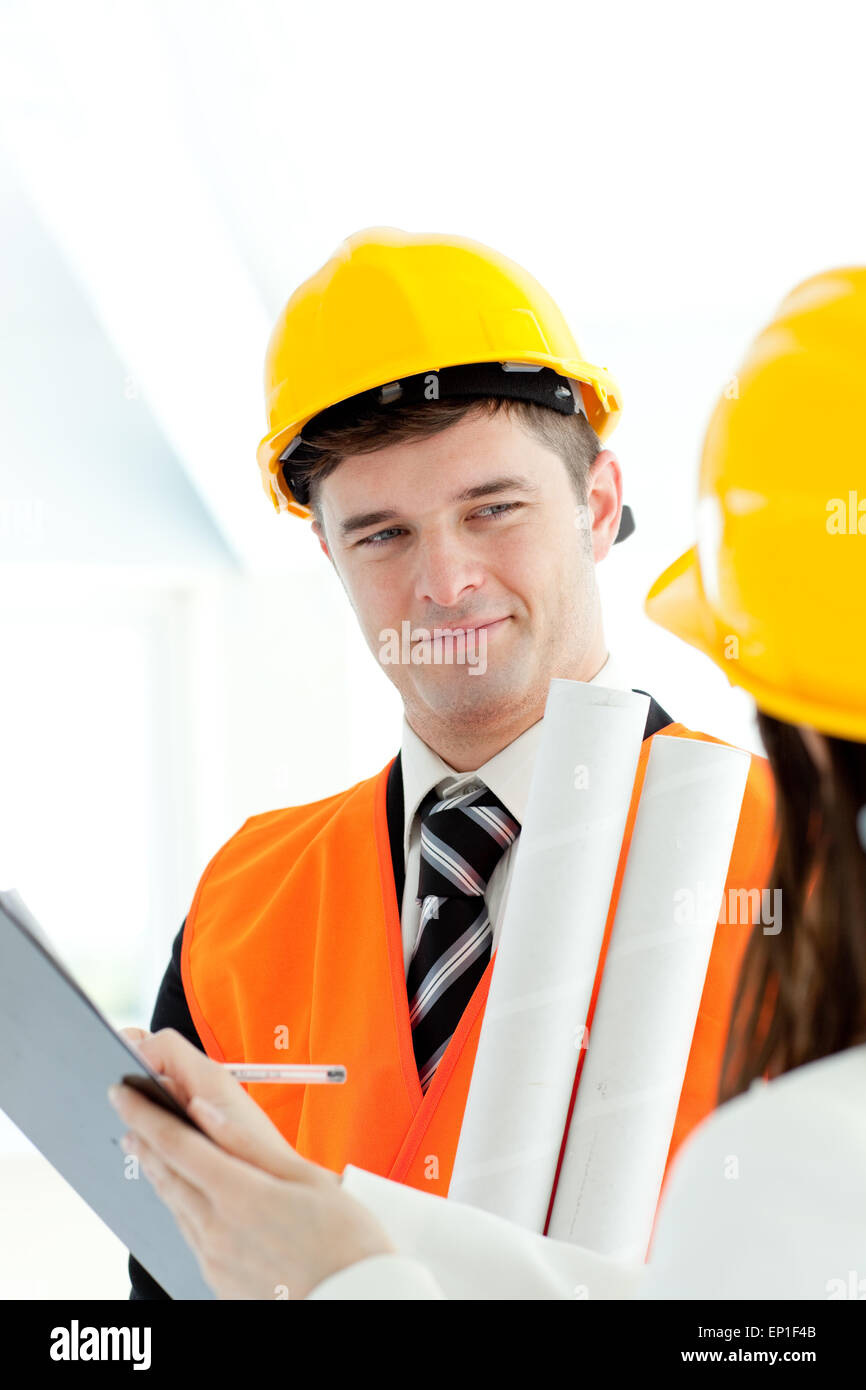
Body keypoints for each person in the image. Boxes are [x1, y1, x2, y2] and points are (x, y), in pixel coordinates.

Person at [117, 227, 776, 1300]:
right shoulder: (247, 896)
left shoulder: (792, 859)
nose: (445, 580)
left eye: (493, 509)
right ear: (329, 555)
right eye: (381, 535)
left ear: (597, 504)